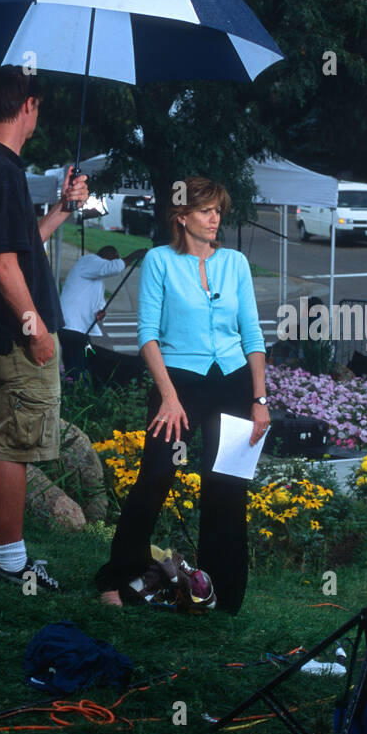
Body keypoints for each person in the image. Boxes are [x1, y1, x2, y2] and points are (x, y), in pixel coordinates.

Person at [94, 176, 269, 615]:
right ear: (181, 216)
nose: (215, 218)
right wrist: (169, 398)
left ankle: (220, 593)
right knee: (156, 475)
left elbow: (252, 334)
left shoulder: (235, 263)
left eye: (218, 211)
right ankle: (118, 577)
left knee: (228, 486)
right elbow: (147, 336)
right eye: (207, 210)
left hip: (233, 384)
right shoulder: (159, 262)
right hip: (179, 384)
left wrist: (260, 399)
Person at [0, 65, 89, 592]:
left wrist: (60, 211)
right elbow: (4, 266)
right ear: (28, 105)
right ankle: (13, 563)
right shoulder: (4, 171)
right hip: (14, 339)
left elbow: (17, 243)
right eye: (39, 107)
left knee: (0, 441)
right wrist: (36, 330)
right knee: (15, 448)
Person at [58, 244, 148, 382]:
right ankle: (76, 392)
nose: (116, 260)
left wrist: (100, 312)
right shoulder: (88, 261)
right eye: (115, 258)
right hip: (70, 327)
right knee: (77, 366)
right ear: (106, 255)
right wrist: (134, 255)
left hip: (79, 330)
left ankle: (79, 389)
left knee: (86, 357)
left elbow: (99, 304)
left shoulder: (96, 279)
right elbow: (113, 268)